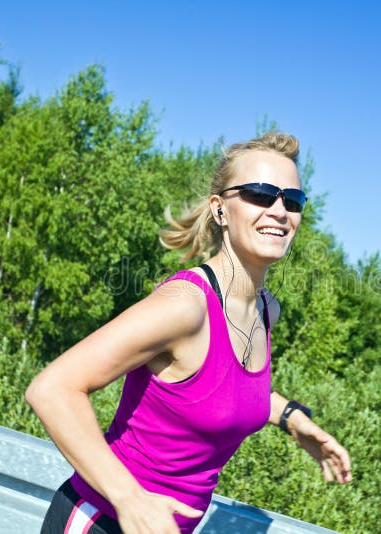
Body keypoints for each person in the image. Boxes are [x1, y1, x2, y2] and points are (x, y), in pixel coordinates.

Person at [26, 131, 352, 534]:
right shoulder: (186, 306)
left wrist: (293, 420)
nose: (280, 211)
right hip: (103, 522)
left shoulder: (266, 311)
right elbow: (52, 389)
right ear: (220, 210)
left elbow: (221, 388)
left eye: (293, 200)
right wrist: (129, 499)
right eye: (260, 195)